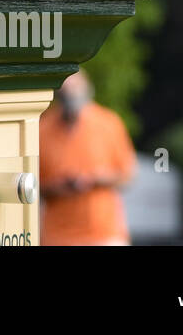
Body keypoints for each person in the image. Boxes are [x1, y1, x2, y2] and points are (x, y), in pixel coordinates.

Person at [38, 68, 137, 245]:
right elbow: (32, 186)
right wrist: (60, 186)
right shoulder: (42, 129)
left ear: (86, 89)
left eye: (75, 90)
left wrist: (98, 178)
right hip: (57, 237)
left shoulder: (109, 123)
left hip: (104, 236)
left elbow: (127, 175)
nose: (70, 97)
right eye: (65, 93)